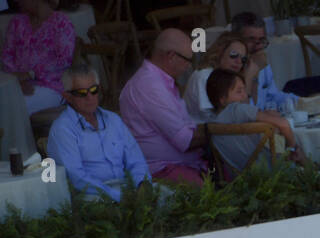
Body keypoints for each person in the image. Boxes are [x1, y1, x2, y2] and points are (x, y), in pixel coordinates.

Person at [45, 62, 151, 201]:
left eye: (94, 90)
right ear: (68, 97)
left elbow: (136, 160)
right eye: (81, 93)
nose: (90, 97)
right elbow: (77, 178)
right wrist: (120, 197)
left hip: (125, 187)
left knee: (168, 195)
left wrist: (141, 186)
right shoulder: (63, 129)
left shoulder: (113, 120)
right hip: (91, 194)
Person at [119, 29, 212, 186]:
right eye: (188, 60)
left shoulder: (160, 80)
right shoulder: (150, 86)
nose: (189, 66)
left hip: (183, 163)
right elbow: (186, 140)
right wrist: (220, 129)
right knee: (215, 191)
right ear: (171, 56)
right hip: (161, 169)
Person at [206, 69, 310, 174]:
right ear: (223, 99)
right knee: (299, 153)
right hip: (274, 174)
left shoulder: (212, 123)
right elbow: (284, 124)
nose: (244, 95)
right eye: (239, 91)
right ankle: (314, 172)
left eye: (244, 90)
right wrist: (292, 148)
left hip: (243, 182)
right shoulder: (237, 109)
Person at [0, 0, 75, 114]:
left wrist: (31, 74)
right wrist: (18, 80)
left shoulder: (61, 22)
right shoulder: (17, 22)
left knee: (10, 107)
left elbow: (64, 60)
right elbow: (7, 57)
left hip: (51, 86)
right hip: (16, 84)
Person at [230, 10, 296, 112]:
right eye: (251, 40)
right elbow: (240, 112)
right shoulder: (228, 68)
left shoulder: (261, 64)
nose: (259, 46)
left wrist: (303, 101)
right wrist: (251, 74)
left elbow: (273, 97)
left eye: (261, 40)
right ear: (235, 39)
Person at [182, 33, 250, 121]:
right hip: (198, 132)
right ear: (219, 52)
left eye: (243, 59)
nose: (238, 61)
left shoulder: (228, 78)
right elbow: (211, 118)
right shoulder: (204, 75)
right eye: (233, 55)